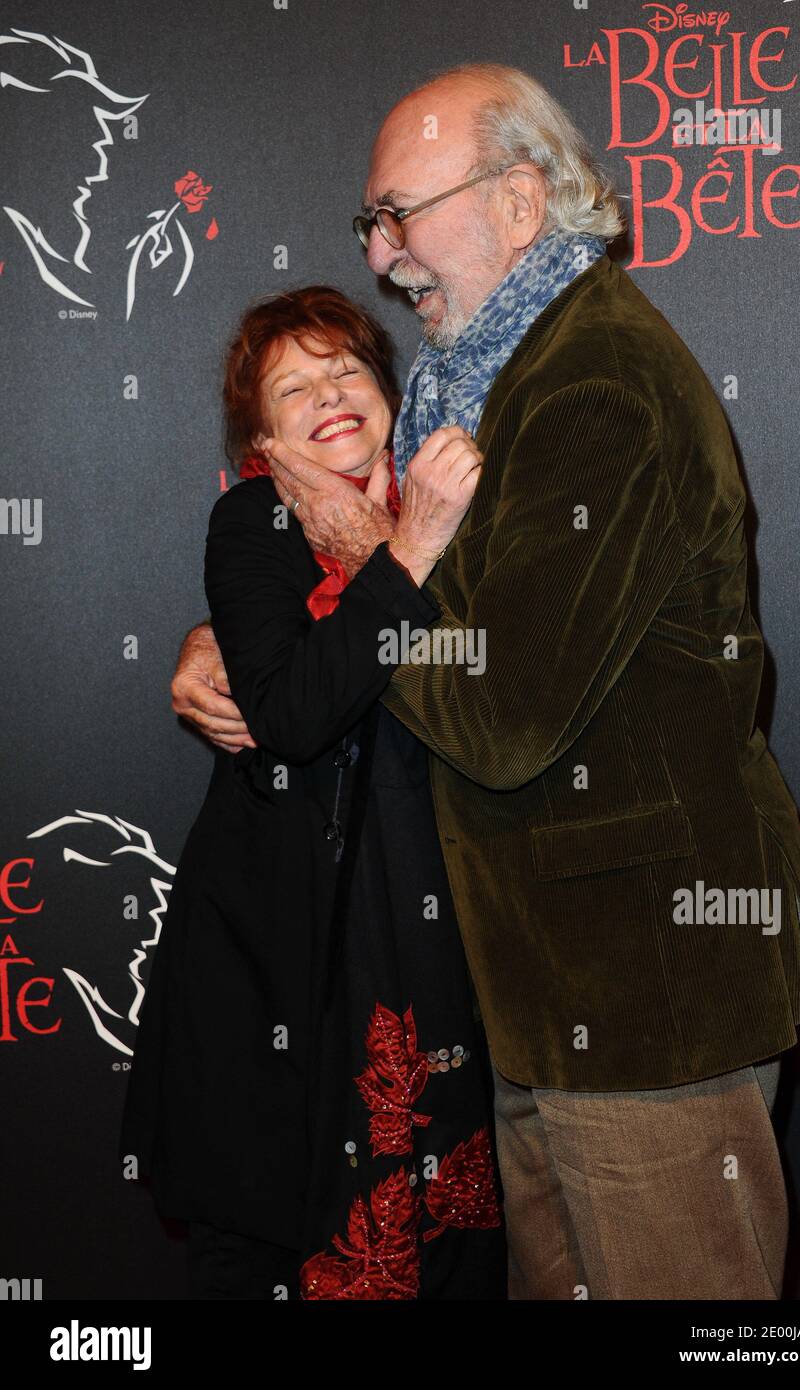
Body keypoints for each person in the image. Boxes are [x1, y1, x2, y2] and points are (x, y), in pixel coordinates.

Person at [171, 63, 800, 1300]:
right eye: (371, 224)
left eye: (399, 215)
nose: (383, 259)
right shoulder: (483, 385)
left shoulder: (594, 386)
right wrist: (247, 639)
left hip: (643, 1002)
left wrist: (372, 563)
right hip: (539, 1006)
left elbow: (498, 708)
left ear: (521, 203)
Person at [119, 283, 506, 1301]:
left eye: (347, 369)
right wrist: (406, 553)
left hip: (438, 925)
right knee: (282, 1238)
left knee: (452, 1237)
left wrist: (422, 535)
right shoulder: (254, 522)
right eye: (295, 386)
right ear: (259, 435)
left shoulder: (464, 497)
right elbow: (291, 717)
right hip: (282, 950)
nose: (331, 393)